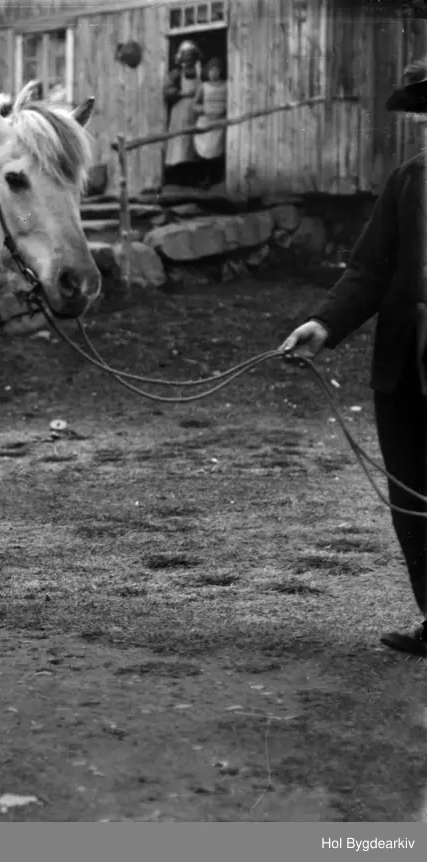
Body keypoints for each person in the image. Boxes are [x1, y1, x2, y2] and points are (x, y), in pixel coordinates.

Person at [280, 62, 427, 657]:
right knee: (413, 496)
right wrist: (326, 322)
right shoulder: (410, 181)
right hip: (404, 368)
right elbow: (370, 269)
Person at [163, 41, 202, 188]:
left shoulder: (200, 73)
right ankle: (177, 179)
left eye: (190, 58)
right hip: (180, 111)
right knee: (179, 143)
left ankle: (192, 178)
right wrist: (182, 93)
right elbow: (167, 92)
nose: (187, 61)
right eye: (185, 58)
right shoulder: (176, 75)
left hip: (195, 111)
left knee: (193, 144)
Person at [192, 57, 227, 187]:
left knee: (217, 148)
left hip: (220, 121)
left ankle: (216, 177)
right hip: (206, 121)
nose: (214, 73)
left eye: (217, 70)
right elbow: (194, 105)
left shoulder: (227, 85)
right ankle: (205, 177)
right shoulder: (203, 86)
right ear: (207, 72)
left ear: (220, 71)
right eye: (211, 70)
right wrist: (203, 109)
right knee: (204, 148)